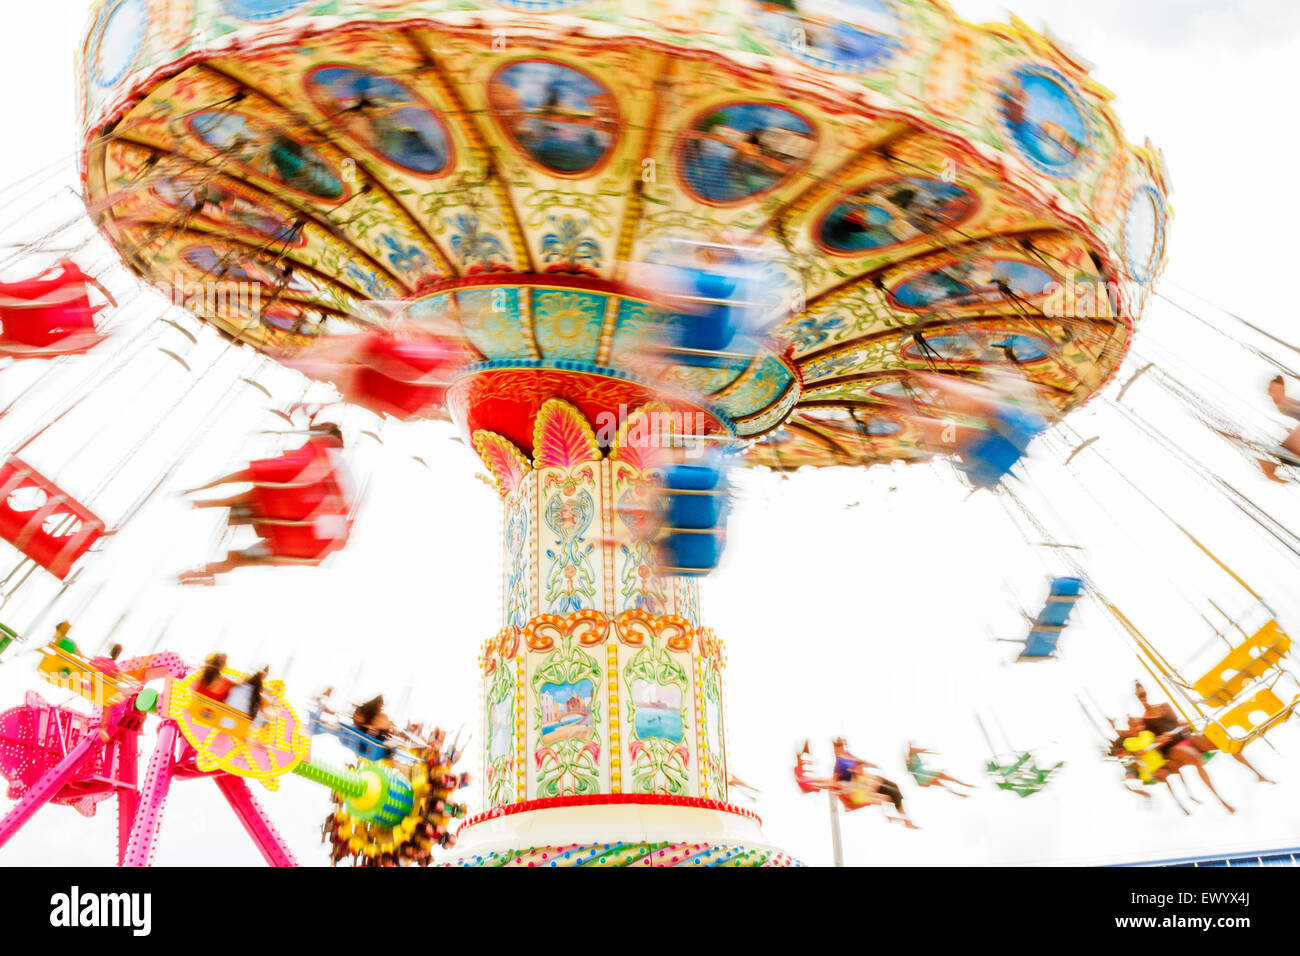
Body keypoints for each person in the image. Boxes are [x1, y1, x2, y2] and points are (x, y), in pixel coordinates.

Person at [1134, 681, 1273, 784]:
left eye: (1143, 694)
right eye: (1140, 696)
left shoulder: (1164, 706)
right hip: (1170, 747)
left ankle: (1258, 774)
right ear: (1137, 698)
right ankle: (1220, 800)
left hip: (1183, 736)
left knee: (1224, 742)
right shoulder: (1144, 721)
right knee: (1195, 758)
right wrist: (1160, 740)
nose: (1143, 698)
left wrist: (1186, 724)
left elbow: (1178, 722)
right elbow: (1152, 743)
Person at [1258, 376, 1300, 482]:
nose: (1268, 392)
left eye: (1271, 389)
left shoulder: (1284, 406)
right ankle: (1271, 465)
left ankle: (1271, 465)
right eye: (1270, 389)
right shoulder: (1284, 406)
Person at [905, 742, 974, 797]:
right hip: (923, 776)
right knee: (947, 780)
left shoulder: (913, 755)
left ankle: (961, 792)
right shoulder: (911, 755)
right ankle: (964, 787)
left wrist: (931, 751)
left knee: (945, 782)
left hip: (922, 777)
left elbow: (923, 751)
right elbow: (921, 751)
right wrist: (930, 750)